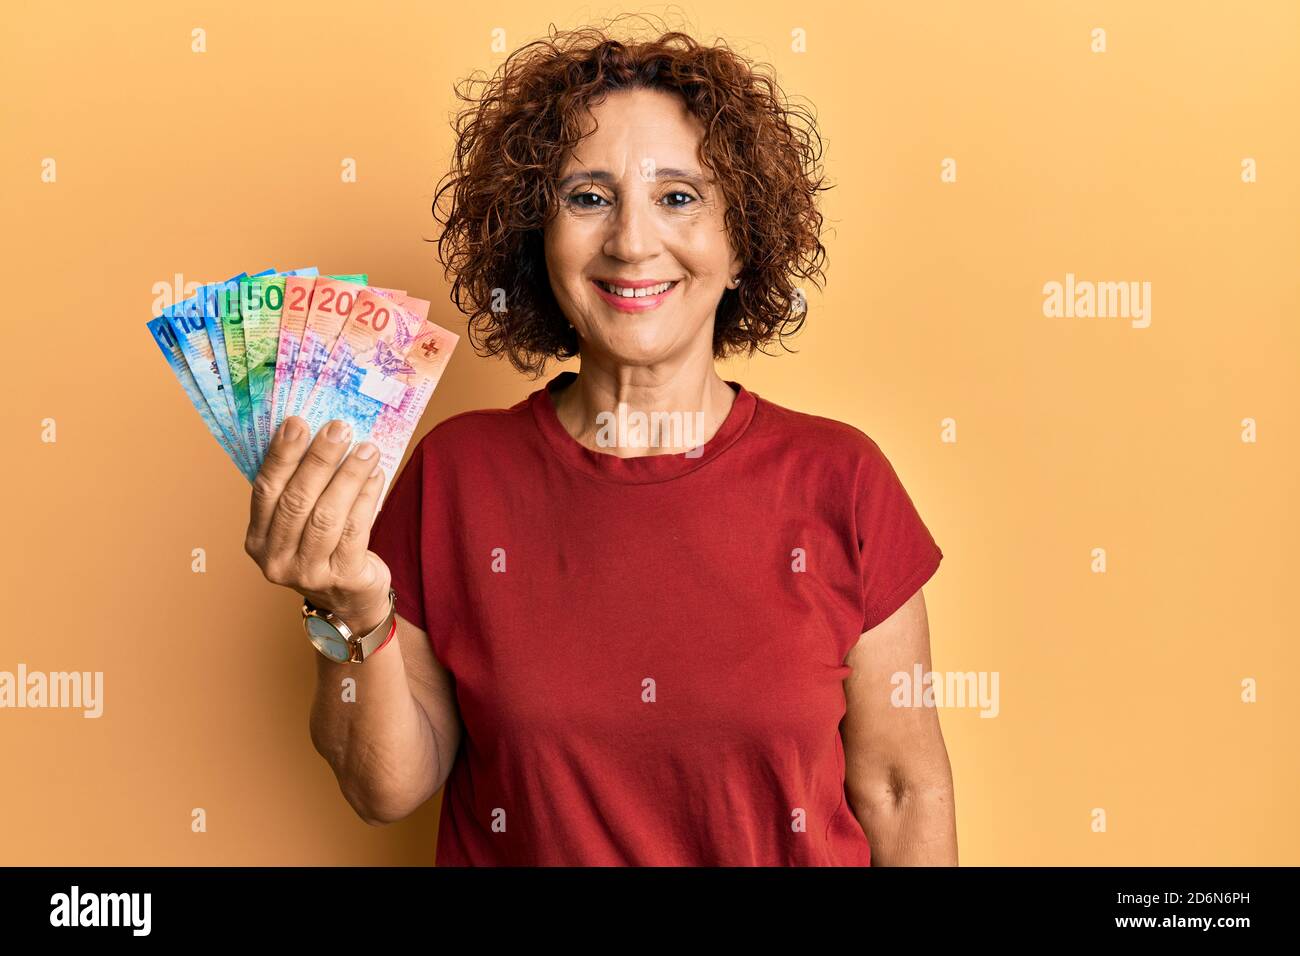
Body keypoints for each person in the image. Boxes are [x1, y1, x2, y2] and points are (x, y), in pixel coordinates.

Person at [244, 20, 957, 866]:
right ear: (536, 239)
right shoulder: (456, 474)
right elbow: (385, 789)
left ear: (741, 246)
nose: (631, 242)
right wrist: (348, 610)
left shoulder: (843, 479)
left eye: (679, 197)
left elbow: (903, 791)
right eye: (588, 197)